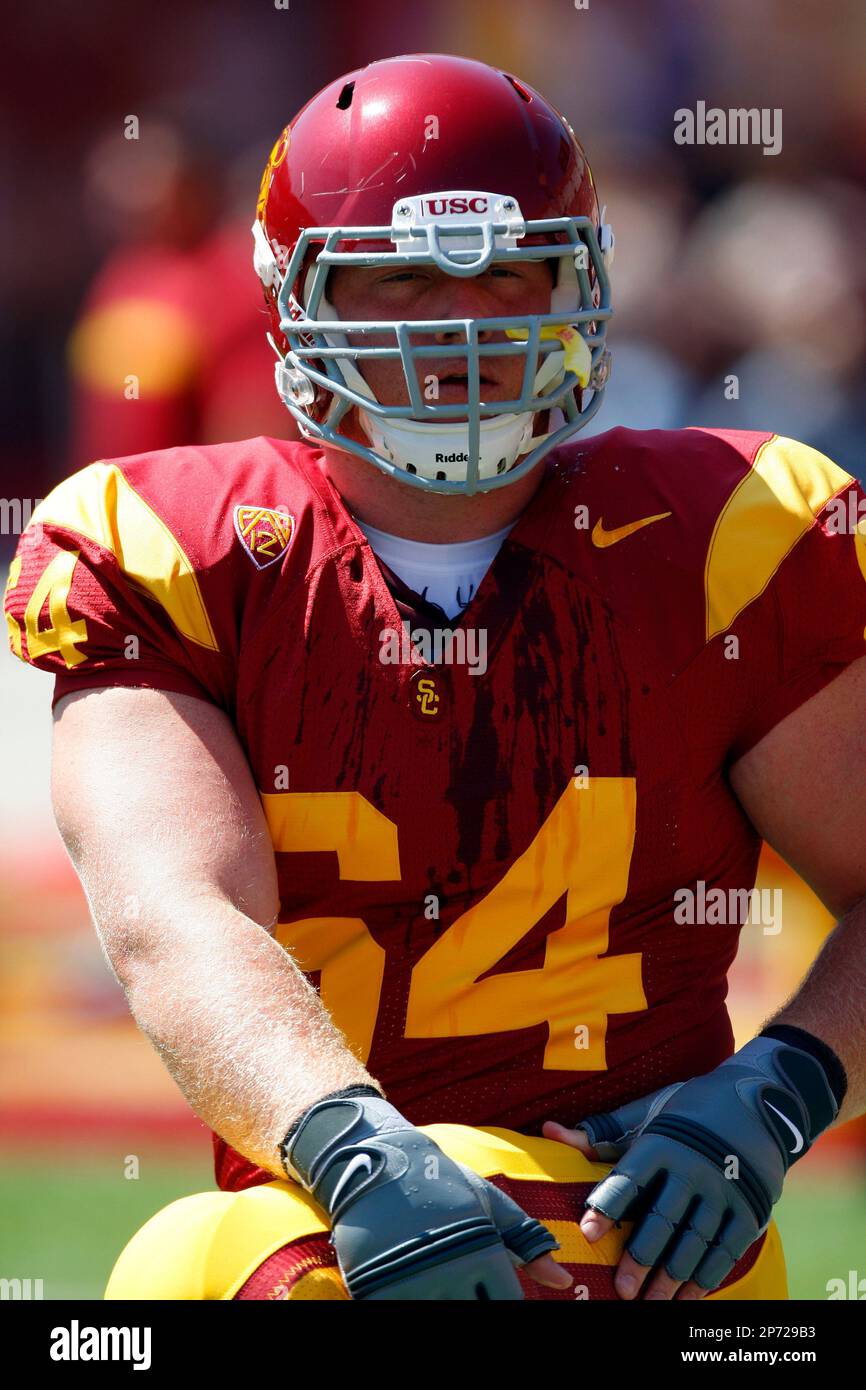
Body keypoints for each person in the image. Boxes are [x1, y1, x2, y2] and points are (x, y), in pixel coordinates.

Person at [5, 53, 865, 1302]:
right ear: (298, 300)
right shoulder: (183, 551)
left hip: (656, 1229)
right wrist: (357, 1152)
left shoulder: (726, 537)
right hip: (334, 1222)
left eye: (510, 272)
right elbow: (172, 914)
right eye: (400, 276)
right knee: (182, 1270)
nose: (460, 324)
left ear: (582, 284)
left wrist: (781, 1086)